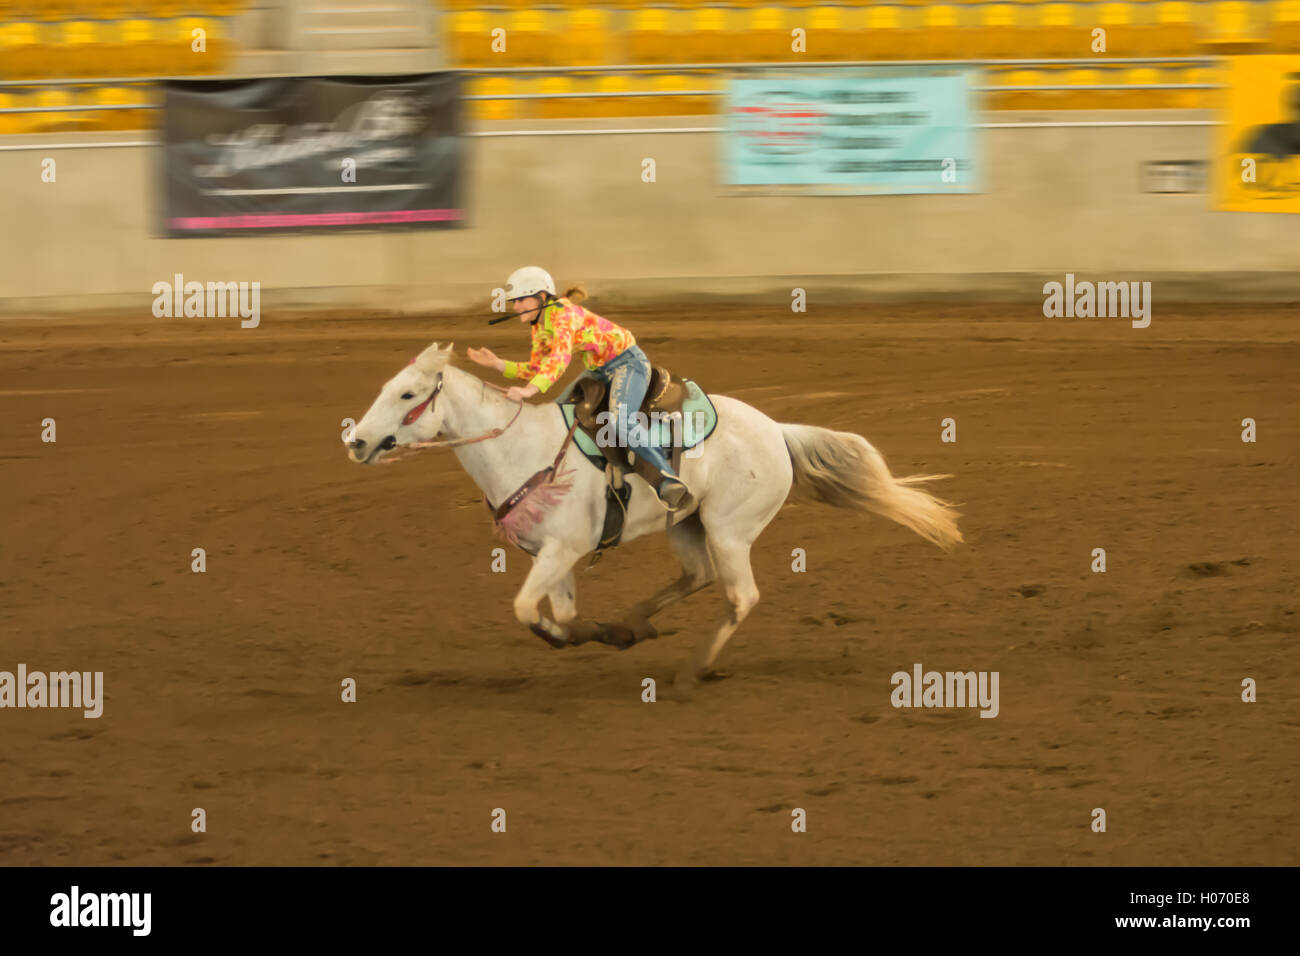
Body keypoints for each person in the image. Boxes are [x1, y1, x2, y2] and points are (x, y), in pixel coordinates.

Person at [467, 266, 692, 512]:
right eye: (515, 301)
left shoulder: (562, 315)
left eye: (521, 299)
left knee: (621, 420)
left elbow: (559, 360)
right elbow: (538, 366)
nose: (515, 306)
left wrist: (528, 391)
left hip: (628, 363)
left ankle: (667, 479)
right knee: (555, 414)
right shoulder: (539, 326)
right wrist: (498, 364)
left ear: (541, 298)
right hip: (598, 370)